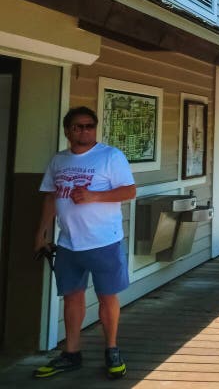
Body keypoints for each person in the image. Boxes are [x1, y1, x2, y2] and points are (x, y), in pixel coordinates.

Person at [33, 106, 136, 380]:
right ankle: (72, 353)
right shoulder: (59, 161)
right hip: (68, 243)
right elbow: (51, 196)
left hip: (104, 241)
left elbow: (129, 190)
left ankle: (112, 350)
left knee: (107, 297)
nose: (85, 131)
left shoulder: (110, 156)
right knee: (72, 297)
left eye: (89, 125)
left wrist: (94, 197)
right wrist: (42, 231)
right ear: (67, 130)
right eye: (78, 126)